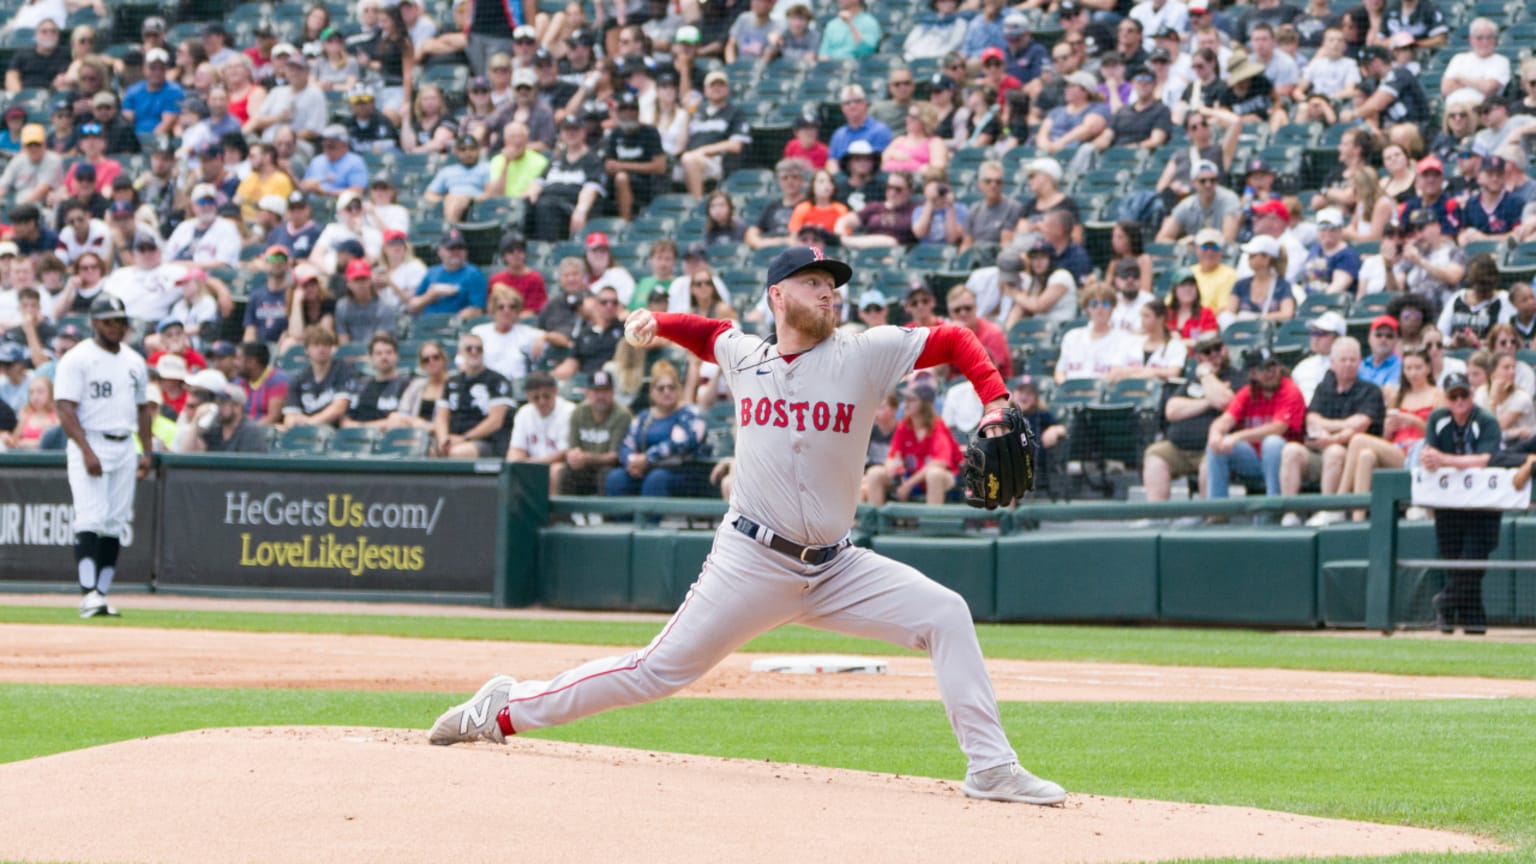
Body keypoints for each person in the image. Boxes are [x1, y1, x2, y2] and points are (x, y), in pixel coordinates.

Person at [430, 244, 1069, 806]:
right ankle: (505, 707)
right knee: (655, 672)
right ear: (778, 295)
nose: (828, 291)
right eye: (814, 281)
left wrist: (994, 400)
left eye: (833, 283)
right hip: (751, 561)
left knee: (946, 613)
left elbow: (956, 340)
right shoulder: (746, 355)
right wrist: (659, 322)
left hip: (837, 565)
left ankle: (990, 768)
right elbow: (709, 334)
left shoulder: (865, 352)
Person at [53, 295, 151, 618]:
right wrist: (86, 450)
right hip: (91, 438)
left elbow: (143, 410)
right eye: (109, 321)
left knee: (115, 522)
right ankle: (87, 594)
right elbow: (65, 408)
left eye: (120, 321)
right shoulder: (78, 359)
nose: (116, 327)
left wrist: (146, 450)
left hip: (124, 443)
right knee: (90, 517)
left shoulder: (135, 362)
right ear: (94, 323)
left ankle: (102, 593)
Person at [1421, 372, 1501, 634]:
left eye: (1463, 395)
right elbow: (1430, 452)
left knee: (1472, 560)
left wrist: (1444, 460)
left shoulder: (1486, 421)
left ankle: (1444, 601)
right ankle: (1472, 621)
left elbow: (1485, 458)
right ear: (1445, 398)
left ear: (1472, 395)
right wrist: (1430, 459)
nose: (1459, 401)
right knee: (1456, 561)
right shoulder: (1438, 419)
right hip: (1449, 504)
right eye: (1453, 396)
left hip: (1482, 507)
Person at [1278, 337, 1384, 523]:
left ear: (1360, 362)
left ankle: (1330, 509)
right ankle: (1291, 512)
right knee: (1291, 450)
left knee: (1334, 452)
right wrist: (1341, 425)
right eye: (1343, 360)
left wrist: (1329, 435)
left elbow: (1360, 425)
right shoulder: (1324, 388)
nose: (1348, 364)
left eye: (1353, 360)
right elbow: (1311, 419)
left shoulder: (1371, 391)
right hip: (1318, 452)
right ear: (1333, 363)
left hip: (1352, 459)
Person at [1142, 334, 1242, 502]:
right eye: (1207, 351)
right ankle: (1156, 515)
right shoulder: (1192, 381)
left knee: (1211, 463)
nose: (1214, 354)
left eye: (1217, 349)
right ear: (1200, 357)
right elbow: (1172, 410)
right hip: (1179, 446)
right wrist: (1208, 401)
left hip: (1212, 448)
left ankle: (1212, 519)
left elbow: (1225, 402)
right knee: (1155, 454)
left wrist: (1206, 376)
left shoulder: (1237, 377)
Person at [1204, 346, 1306, 500]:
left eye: (1274, 366)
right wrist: (1214, 435)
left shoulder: (1290, 389)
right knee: (1217, 446)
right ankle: (1218, 512)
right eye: (1264, 369)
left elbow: (1277, 428)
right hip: (1253, 460)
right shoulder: (1247, 392)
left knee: (1272, 443)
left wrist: (1237, 437)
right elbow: (1224, 421)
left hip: (1286, 462)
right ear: (1253, 373)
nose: (1272, 373)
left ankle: (1273, 508)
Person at [434, 331, 514, 457]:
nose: (474, 352)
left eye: (479, 349)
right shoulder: (452, 382)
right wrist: (443, 439)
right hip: (454, 437)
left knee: (457, 453)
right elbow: (441, 417)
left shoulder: (497, 381)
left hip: (487, 441)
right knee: (427, 449)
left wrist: (464, 438)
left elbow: (495, 421)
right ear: (460, 352)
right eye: (469, 348)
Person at [553, 369, 631, 494]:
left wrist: (586, 458)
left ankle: (605, 513)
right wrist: (574, 457)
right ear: (587, 393)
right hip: (584, 468)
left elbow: (614, 456)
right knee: (565, 473)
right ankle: (564, 513)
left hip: (610, 468)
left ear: (612, 392)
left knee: (606, 475)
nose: (601, 396)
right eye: (596, 391)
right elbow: (572, 448)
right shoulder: (578, 412)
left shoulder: (622, 415)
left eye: (605, 391)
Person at [506, 369, 575, 483]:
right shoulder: (524, 413)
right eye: (536, 397)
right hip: (532, 465)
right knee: (511, 470)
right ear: (528, 396)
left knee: (555, 471)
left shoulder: (569, 411)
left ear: (555, 391)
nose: (542, 401)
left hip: (560, 467)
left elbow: (565, 453)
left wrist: (534, 464)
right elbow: (516, 449)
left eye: (546, 396)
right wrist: (515, 464)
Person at [408, 230, 488, 321]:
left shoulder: (473, 274)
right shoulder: (431, 273)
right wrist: (429, 296)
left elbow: (477, 310)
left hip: (458, 328)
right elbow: (412, 307)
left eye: (460, 248)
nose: (456, 252)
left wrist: (450, 322)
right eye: (451, 248)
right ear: (440, 252)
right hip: (428, 326)